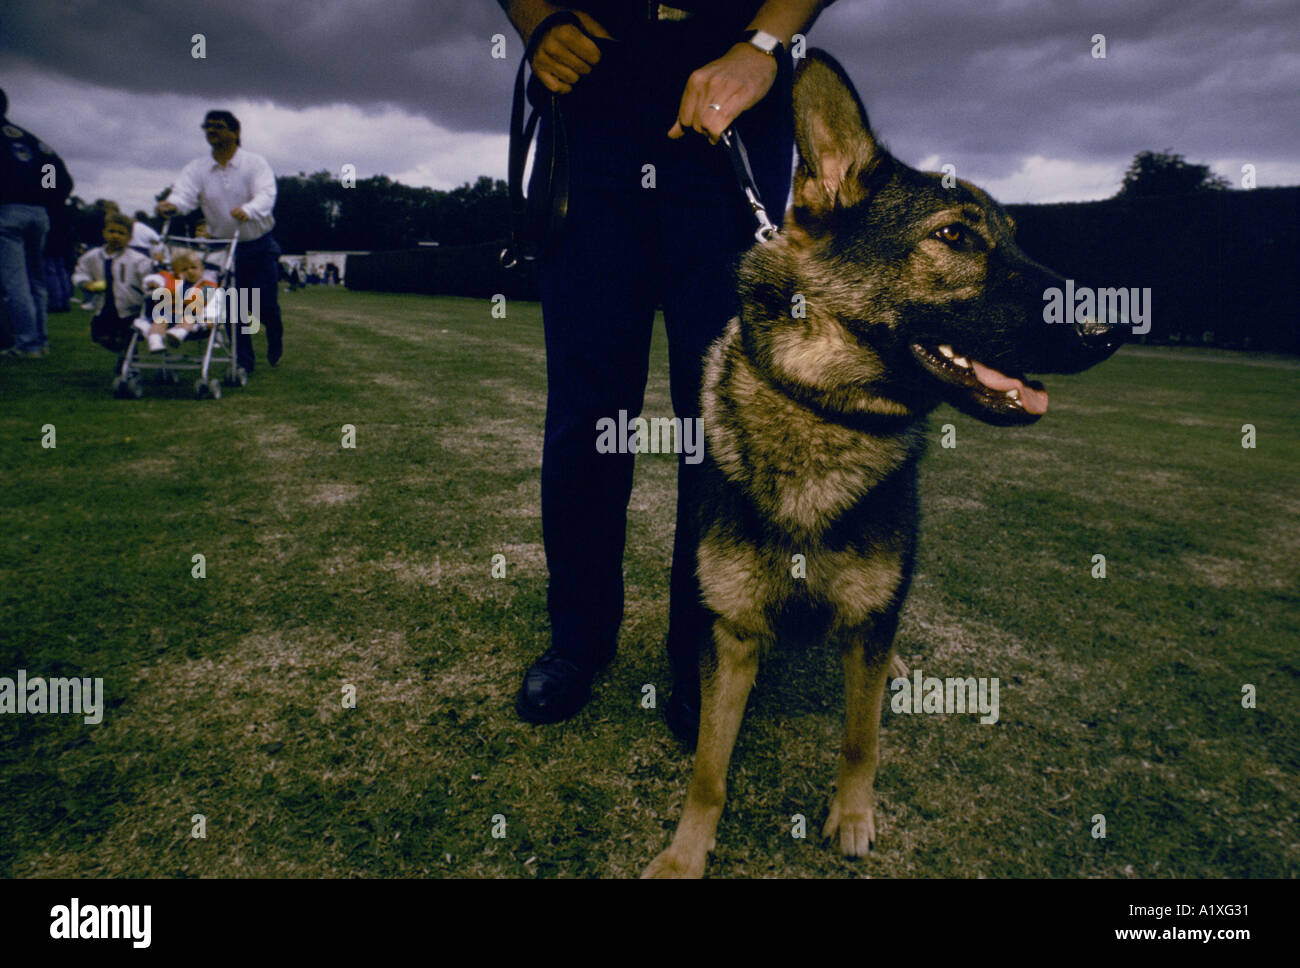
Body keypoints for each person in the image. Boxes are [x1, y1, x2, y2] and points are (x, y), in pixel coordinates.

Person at [501, 0, 830, 739]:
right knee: (586, 411)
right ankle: (579, 635)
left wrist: (764, 41)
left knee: (719, 417)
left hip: (731, 104)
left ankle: (706, 650)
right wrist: (539, 22)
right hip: (592, 110)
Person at [157, 109, 283, 371]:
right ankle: (243, 361)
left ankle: (274, 333)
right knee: (234, 304)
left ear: (235, 132)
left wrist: (248, 209)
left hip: (258, 243)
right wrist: (173, 205)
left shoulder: (254, 163)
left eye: (218, 126)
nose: (212, 131)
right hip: (223, 247)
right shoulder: (198, 168)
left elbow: (266, 195)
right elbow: (185, 195)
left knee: (264, 305)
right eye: (208, 126)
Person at [0, 87, 72, 358]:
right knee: (36, 281)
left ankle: (28, 343)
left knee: (15, 283)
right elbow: (58, 179)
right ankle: (40, 340)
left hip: (8, 213)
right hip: (39, 214)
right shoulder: (33, 141)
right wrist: (45, 197)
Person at [72, 211, 152, 352]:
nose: (116, 236)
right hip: (104, 306)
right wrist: (85, 283)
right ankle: (119, 349)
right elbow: (80, 272)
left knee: (129, 337)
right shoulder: (93, 256)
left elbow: (148, 278)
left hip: (129, 307)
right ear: (104, 233)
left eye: (121, 233)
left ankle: (129, 367)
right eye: (112, 231)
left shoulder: (138, 259)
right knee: (99, 335)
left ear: (129, 237)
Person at [135, 248, 219, 351]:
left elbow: (211, 304)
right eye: (184, 269)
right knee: (159, 321)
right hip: (167, 311)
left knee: (189, 319)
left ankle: (177, 334)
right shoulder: (169, 278)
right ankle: (155, 341)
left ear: (202, 269)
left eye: (193, 267)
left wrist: (209, 318)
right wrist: (153, 283)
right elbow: (157, 279)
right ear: (176, 271)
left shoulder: (207, 285)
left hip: (190, 314)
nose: (190, 271)